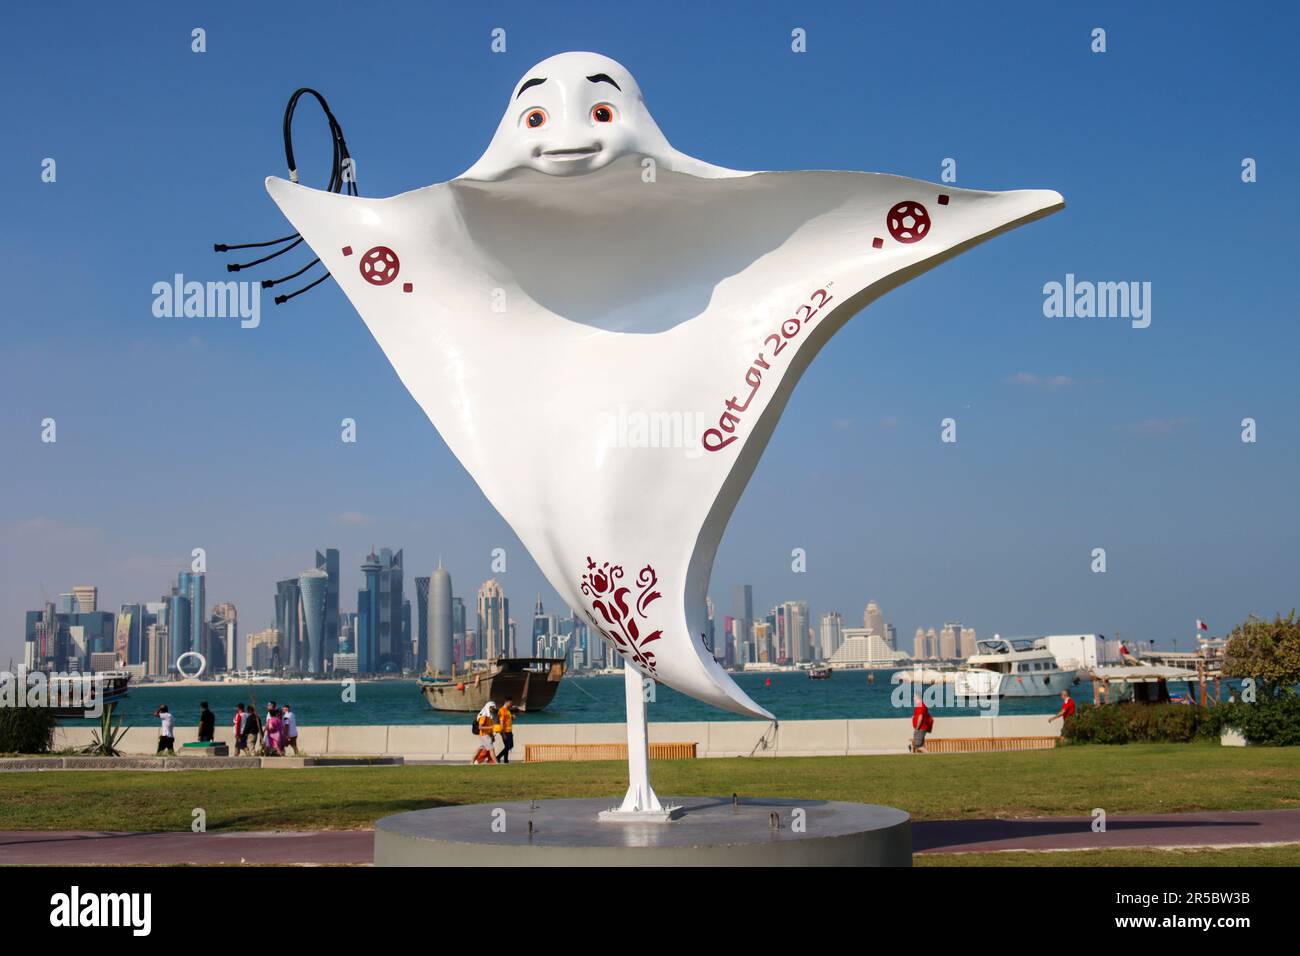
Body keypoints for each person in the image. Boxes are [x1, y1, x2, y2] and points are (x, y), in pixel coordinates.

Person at [496, 697, 516, 764]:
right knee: (509, 746)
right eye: (511, 703)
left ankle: (506, 761)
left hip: (509, 730)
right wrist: (503, 733)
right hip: (505, 731)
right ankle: (498, 757)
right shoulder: (502, 710)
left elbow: (507, 720)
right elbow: (501, 722)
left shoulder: (508, 710)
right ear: (507, 702)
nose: (511, 704)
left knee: (508, 746)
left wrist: (512, 717)